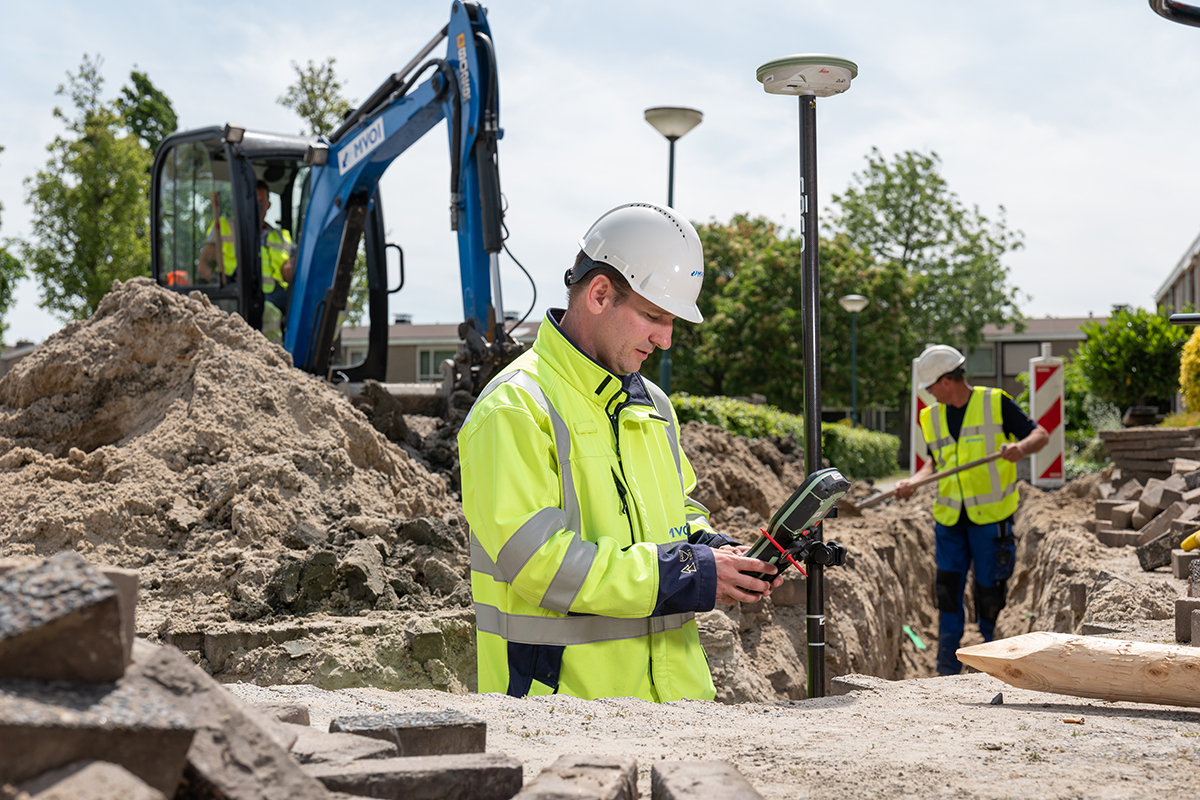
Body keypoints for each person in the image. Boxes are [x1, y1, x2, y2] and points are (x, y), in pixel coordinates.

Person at [458, 202, 784, 701]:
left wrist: (719, 554)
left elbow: (679, 517)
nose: (666, 340)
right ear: (600, 293)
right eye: (654, 316)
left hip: (678, 706)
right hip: (566, 717)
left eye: (672, 321)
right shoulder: (516, 407)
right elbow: (539, 565)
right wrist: (690, 572)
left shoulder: (652, 405)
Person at [894, 344, 1049, 675]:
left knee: (989, 593)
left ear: (947, 380)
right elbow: (933, 464)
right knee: (948, 594)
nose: (930, 394)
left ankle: (994, 668)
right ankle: (947, 671)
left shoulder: (995, 402)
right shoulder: (929, 416)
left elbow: (1040, 434)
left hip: (990, 520)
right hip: (949, 520)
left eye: (932, 386)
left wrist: (1019, 448)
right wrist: (913, 481)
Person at [196, 181, 294, 341]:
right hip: (240, 294)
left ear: (268, 205)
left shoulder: (282, 237)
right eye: (251, 202)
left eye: (260, 203)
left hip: (277, 294)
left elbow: (289, 270)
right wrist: (218, 281)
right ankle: (276, 360)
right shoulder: (224, 227)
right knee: (268, 312)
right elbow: (203, 264)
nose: (256, 207)